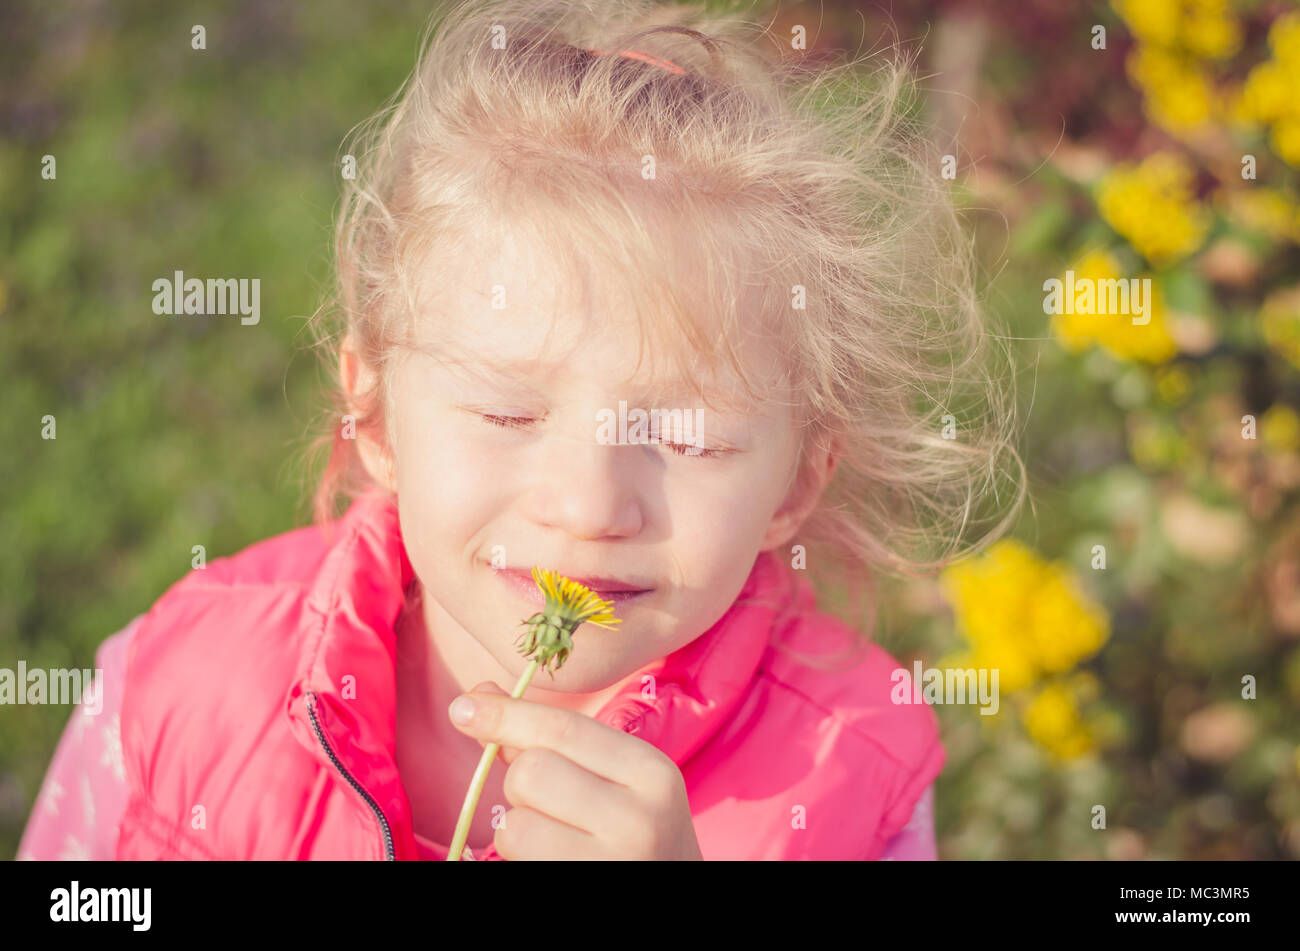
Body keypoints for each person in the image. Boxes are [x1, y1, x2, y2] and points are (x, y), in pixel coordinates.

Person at [19, 0, 1019, 861]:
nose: (588, 508)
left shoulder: (849, 768)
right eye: (506, 413)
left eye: (691, 439)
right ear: (372, 414)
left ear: (795, 485)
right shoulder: (180, 677)